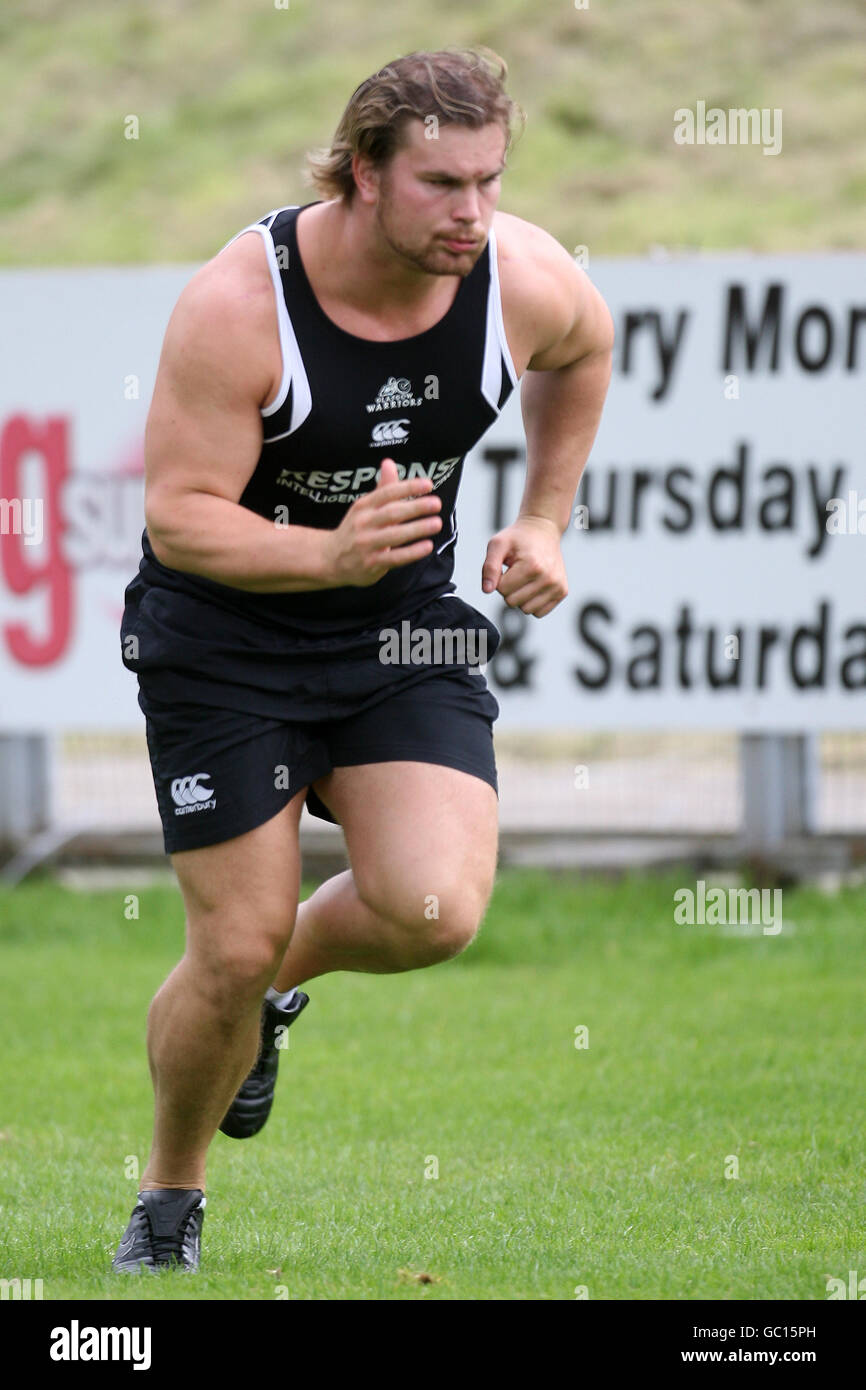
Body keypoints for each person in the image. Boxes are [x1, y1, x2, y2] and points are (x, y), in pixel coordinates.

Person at [113, 45, 613, 1272]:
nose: (473, 213)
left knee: (432, 907)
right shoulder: (241, 304)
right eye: (442, 183)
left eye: (489, 180)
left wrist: (544, 517)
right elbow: (178, 514)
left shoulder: (517, 280)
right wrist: (324, 556)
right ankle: (171, 1198)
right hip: (222, 638)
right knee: (222, 945)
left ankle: (265, 992)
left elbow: (585, 350)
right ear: (361, 174)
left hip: (399, 624)